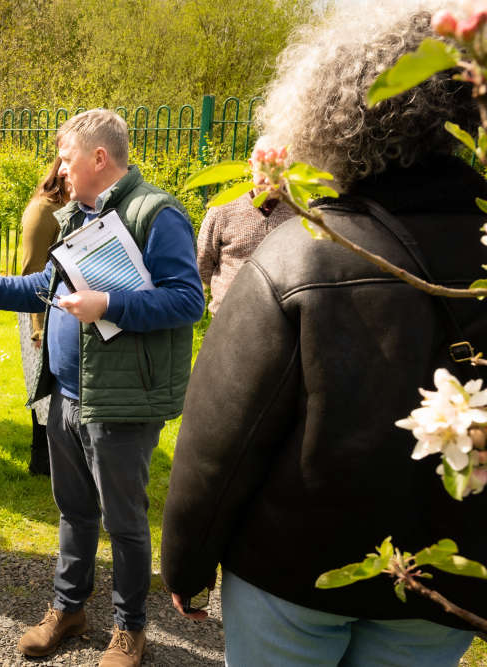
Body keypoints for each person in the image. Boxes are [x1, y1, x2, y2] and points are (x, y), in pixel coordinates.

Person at [160, 3, 487, 665]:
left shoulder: (299, 253)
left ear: (328, 110)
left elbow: (220, 439)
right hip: (440, 585)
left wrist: (187, 566)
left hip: (291, 578)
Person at [0, 109, 204, 667]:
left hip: (120, 399)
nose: (59, 166)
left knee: (124, 521)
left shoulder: (156, 214)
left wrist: (109, 304)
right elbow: (45, 287)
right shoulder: (79, 215)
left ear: (98, 158)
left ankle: (130, 628)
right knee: (74, 509)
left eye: (65, 156)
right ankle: (69, 607)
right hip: (66, 393)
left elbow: (187, 300)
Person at [196, 136, 292, 315]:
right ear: (251, 165)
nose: (270, 177)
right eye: (264, 168)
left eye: (277, 169)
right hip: (228, 317)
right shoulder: (223, 208)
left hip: (282, 319)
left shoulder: (300, 211)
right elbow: (204, 260)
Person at [17, 156, 68, 475]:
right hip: (40, 309)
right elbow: (31, 270)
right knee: (41, 386)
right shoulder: (43, 209)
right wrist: (38, 327)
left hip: (68, 309)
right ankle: (41, 459)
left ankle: (59, 456)